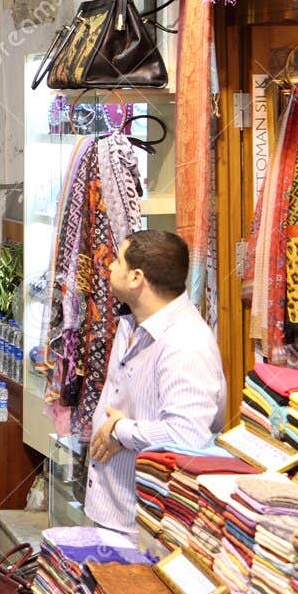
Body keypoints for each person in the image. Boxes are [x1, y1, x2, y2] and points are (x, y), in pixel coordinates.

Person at [85, 230, 227, 537]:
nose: (109, 267)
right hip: (113, 507)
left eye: (117, 261)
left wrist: (120, 431)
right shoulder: (132, 323)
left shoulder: (185, 343)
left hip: (146, 526)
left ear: (136, 277)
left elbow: (187, 434)